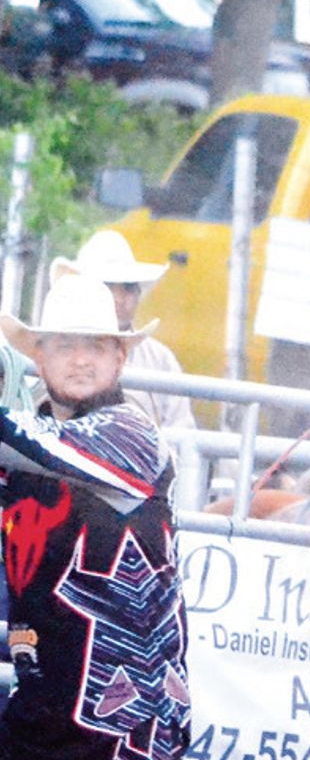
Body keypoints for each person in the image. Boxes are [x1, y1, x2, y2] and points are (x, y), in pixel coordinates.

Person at [0, 274, 190, 760]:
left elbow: (26, 442)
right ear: (39, 357)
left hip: (126, 725)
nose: (81, 359)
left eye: (97, 347)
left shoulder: (132, 436)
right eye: (65, 346)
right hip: (41, 711)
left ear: (119, 358)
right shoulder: (30, 445)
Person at [50, 230, 196, 430]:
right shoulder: (51, 353)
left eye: (127, 287)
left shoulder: (161, 360)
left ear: (138, 294)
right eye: (108, 287)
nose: (119, 299)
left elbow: (182, 433)